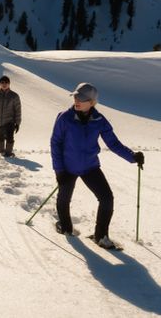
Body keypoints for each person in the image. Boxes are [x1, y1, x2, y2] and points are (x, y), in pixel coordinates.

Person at [50, 82, 144, 249]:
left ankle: (101, 236)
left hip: (90, 167)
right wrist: (59, 170)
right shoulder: (64, 118)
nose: (77, 100)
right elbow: (55, 143)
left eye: (81, 98)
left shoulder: (99, 120)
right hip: (68, 168)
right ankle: (65, 227)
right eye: (75, 97)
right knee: (64, 198)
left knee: (107, 198)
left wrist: (132, 157)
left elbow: (113, 143)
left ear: (92, 102)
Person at [0, 76, 21, 157]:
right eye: (2, 82)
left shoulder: (14, 96)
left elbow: (18, 110)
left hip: (10, 122)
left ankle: (8, 154)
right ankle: (1, 153)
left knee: (10, 138)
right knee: (0, 137)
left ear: (9, 84)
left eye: (6, 82)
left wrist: (17, 123)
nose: (4, 84)